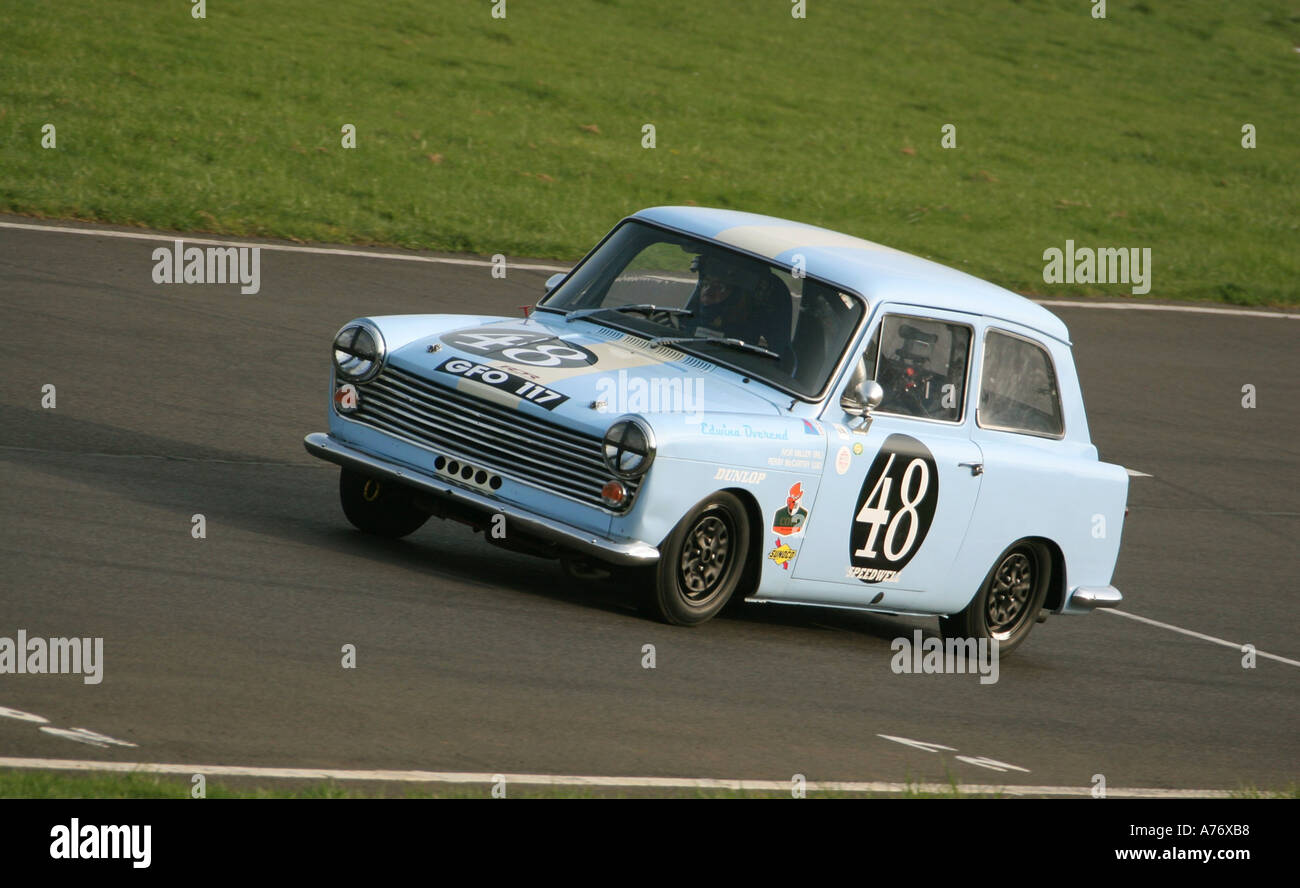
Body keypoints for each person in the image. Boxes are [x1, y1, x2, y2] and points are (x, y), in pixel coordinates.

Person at [690, 251, 791, 357]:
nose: (708, 292)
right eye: (706, 283)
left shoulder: (758, 358)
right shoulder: (680, 328)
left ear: (740, 300)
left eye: (720, 287)